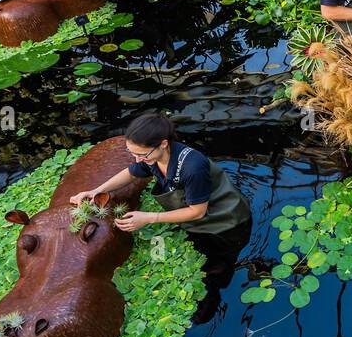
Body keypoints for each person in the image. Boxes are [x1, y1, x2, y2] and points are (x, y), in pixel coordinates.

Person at [70, 112, 252, 324]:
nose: (138, 159)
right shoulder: (152, 158)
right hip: (196, 218)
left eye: (143, 154)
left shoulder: (192, 166)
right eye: (132, 152)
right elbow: (131, 172)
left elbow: (198, 212)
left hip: (225, 223)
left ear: (163, 144)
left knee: (214, 269)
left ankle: (208, 302)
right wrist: (96, 191)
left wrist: (148, 217)